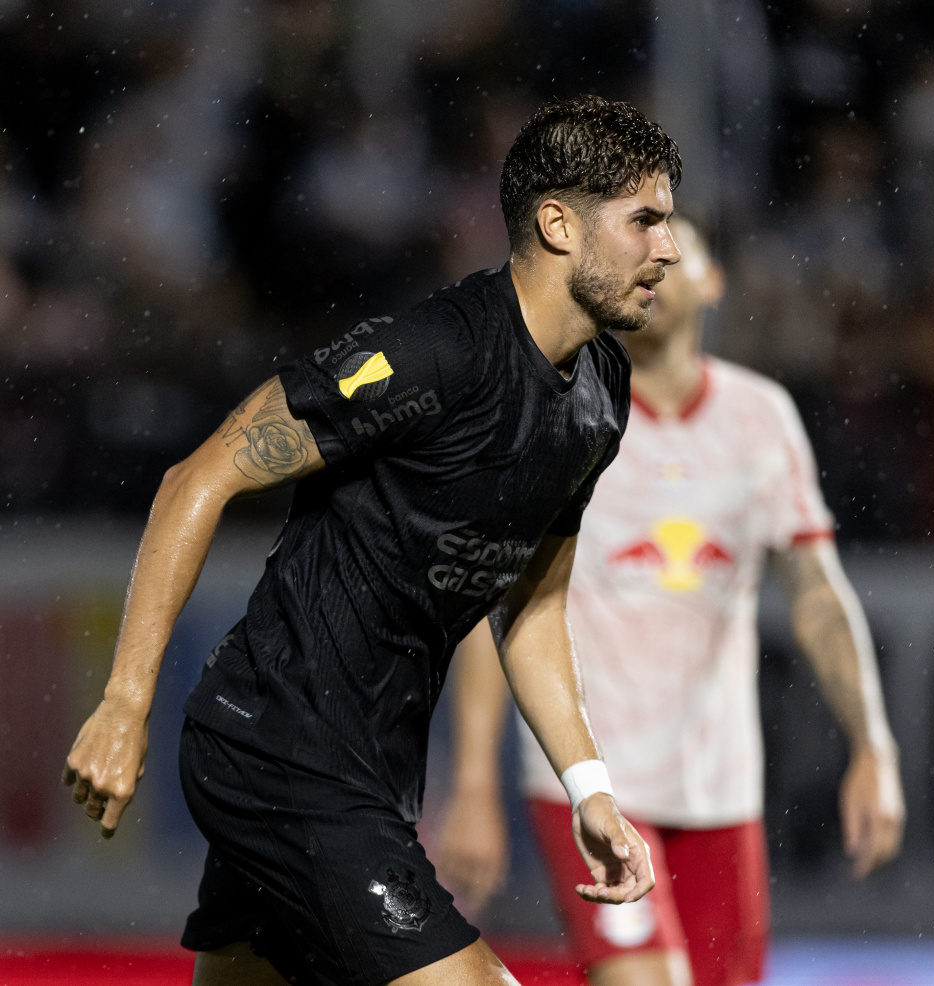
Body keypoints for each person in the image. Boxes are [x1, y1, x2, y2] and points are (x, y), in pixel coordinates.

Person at [61, 95, 684, 986]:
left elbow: (533, 607)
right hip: (279, 749)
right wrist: (125, 704)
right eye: (645, 221)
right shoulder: (433, 352)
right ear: (557, 224)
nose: (667, 247)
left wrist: (589, 789)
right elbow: (196, 480)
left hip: (370, 770)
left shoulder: (600, 395)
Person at [437, 217, 906, 986]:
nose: (652, 263)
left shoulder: (760, 419)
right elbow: (499, 603)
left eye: (672, 250)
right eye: (632, 251)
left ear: (712, 280)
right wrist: (475, 783)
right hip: (593, 780)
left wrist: (872, 745)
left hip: (720, 786)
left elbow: (817, 594)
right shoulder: (558, 413)